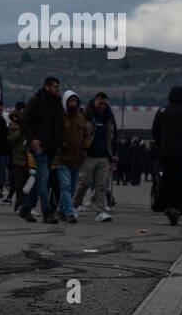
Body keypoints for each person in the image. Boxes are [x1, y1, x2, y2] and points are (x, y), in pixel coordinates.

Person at [151, 85, 182, 226]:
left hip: (165, 151)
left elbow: (155, 131)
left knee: (166, 178)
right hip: (181, 152)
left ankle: (166, 206)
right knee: (178, 181)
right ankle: (176, 207)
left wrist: (161, 144)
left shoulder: (162, 111)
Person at [20, 76, 64, 223]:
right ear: (47, 87)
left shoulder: (57, 103)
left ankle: (26, 208)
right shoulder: (36, 101)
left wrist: (60, 144)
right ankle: (47, 212)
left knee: (41, 178)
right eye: (55, 86)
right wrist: (31, 139)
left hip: (52, 147)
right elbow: (24, 121)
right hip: (39, 147)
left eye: (58, 86)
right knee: (44, 179)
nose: (58, 89)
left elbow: (59, 125)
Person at [73, 91, 116, 221]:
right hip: (88, 155)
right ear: (95, 100)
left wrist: (114, 154)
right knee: (83, 183)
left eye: (104, 103)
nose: (102, 105)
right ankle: (74, 206)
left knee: (101, 185)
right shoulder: (86, 115)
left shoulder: (109, 116)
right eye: (100, 102)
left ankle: (100, 211)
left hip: (104, 156)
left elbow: (114, 135)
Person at [56, 90, 92, 223]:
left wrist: (85, 145)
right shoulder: (60, 118)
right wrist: (62, 144)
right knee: (65, 187)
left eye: (75, 101)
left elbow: (86, 134)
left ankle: (60, 210)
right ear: (65, 102)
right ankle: (69, 212)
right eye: (70, 101)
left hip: (77, 159)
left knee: (71, 189)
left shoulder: (81, 118)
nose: (73, 103)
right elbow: (56, 134)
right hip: (63, 158)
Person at [6, 104, 31, 216]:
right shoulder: (14, 125)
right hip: (18, 159)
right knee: (19, 184)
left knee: (29, 184)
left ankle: (27, 205)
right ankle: (19, 205)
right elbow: (10, 140)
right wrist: (20, 130)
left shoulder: (30, 124)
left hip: (29, 158)